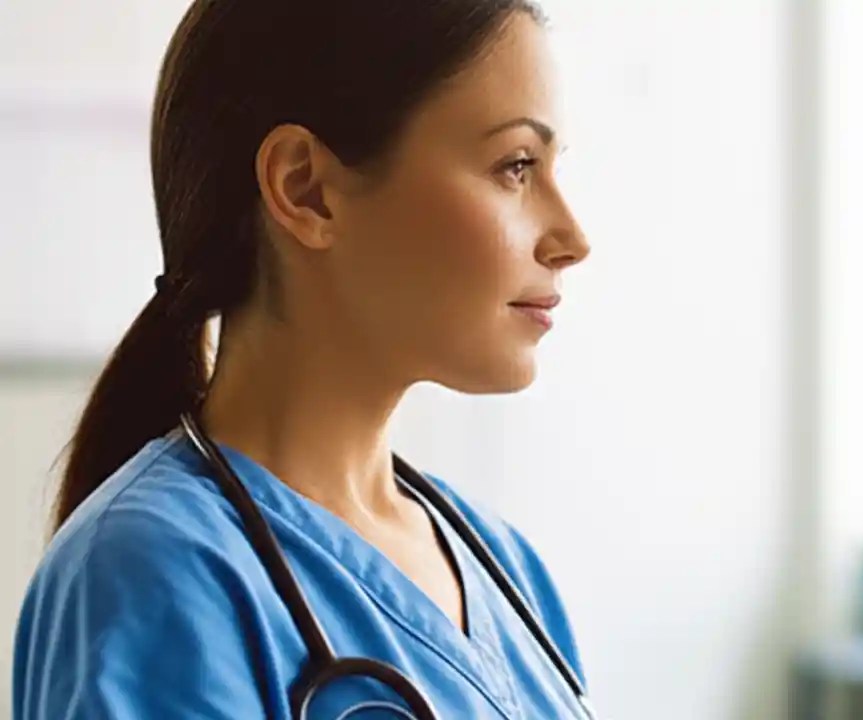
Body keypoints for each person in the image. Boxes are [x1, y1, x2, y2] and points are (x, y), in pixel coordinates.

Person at [12, 1, 592, 717]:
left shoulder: (505, 569)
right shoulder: (158, 573)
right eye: (515, 166)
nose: (572, 235)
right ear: (305, 189)